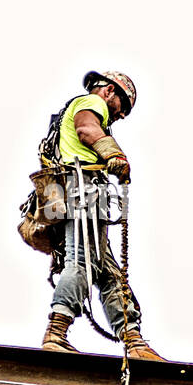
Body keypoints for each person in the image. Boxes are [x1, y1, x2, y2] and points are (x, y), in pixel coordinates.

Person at [41, 70, 166, 360]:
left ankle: (134, 342)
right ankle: (56, 332)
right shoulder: (92, 102)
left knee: (109, 273)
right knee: (82, 263)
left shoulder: (69, 114)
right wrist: (113, 154)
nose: (118, 117)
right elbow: (87, 129)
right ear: (109, 91)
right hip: (82, 189)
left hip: (73, 195)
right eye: (120, 109)